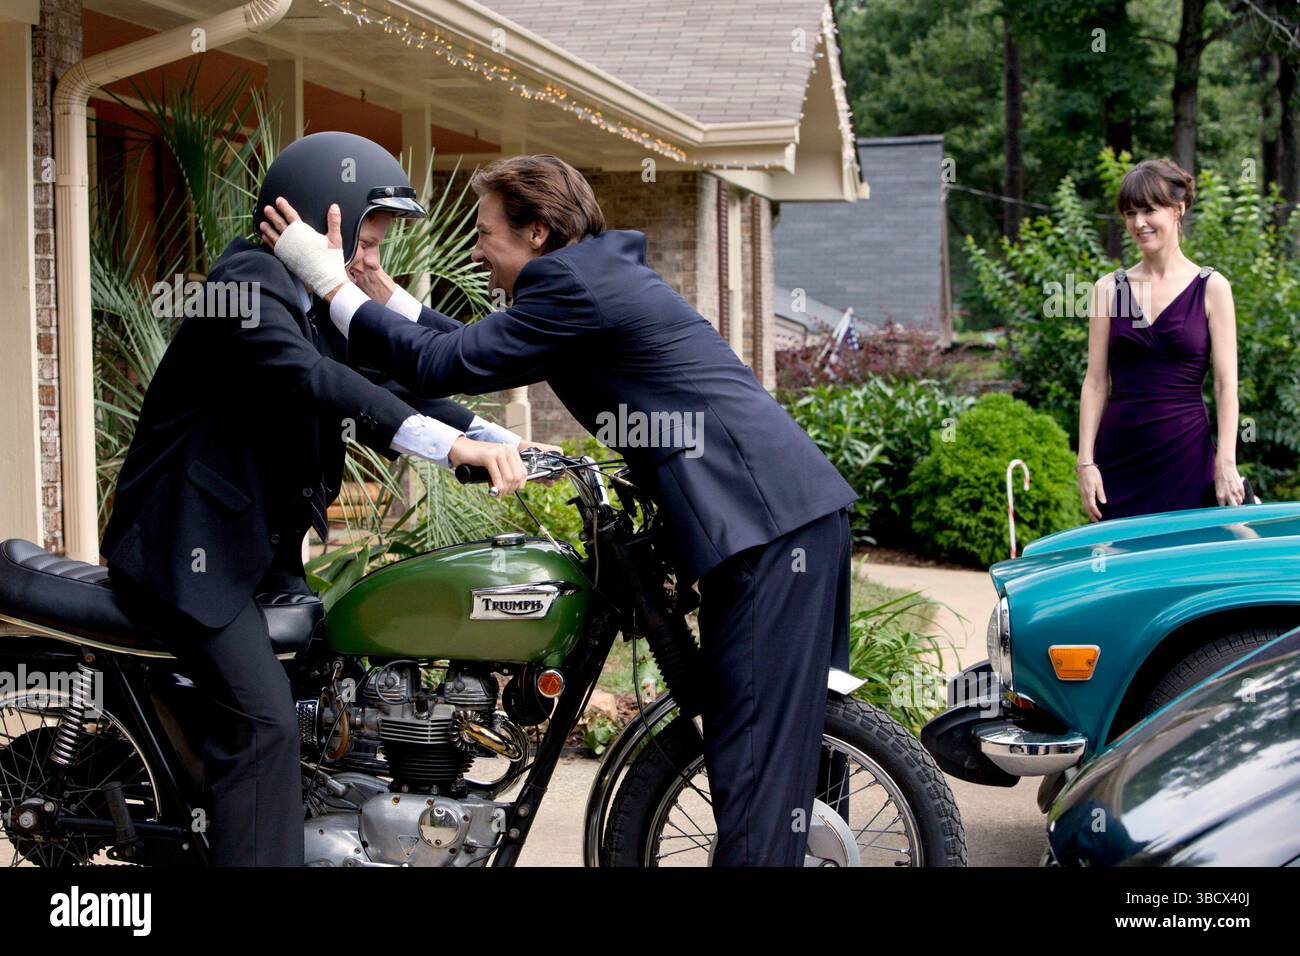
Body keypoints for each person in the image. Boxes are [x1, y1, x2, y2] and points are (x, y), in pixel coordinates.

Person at [261, 153, 860, 866]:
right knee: (767, 752)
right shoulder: (589, 275)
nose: (476, 250)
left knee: (755, 766)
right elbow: (464, 345)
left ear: (537, 232)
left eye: (485, 233)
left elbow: (439, 365)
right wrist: (383, 296)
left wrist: (327, 280)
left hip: (762, 524)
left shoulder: (569, 287)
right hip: (780, 517)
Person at [101, 131, 548, 866]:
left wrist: (492, 436)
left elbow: (400, 381)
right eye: (366, 240)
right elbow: (311, 380)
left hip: (253, 555)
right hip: (185, 555)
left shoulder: (310, 299)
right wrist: (452, 448)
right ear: (320, 217)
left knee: (329, 701)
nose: (372, 259)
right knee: (264, 725)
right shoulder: (247, 283)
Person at [1077, 157, 1254, 522]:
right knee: (1122, 571)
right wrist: (1085, 462)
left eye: (1148, 210)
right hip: (1120, 460)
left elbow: (1226, 386)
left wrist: (1226, 462)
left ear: (1179, 209)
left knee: (1198, 565)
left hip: (1189, 456)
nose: (1138, 223)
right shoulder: (1107, 290)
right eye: (1129, 213)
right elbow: (1095, 382)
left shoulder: (1212, 288)